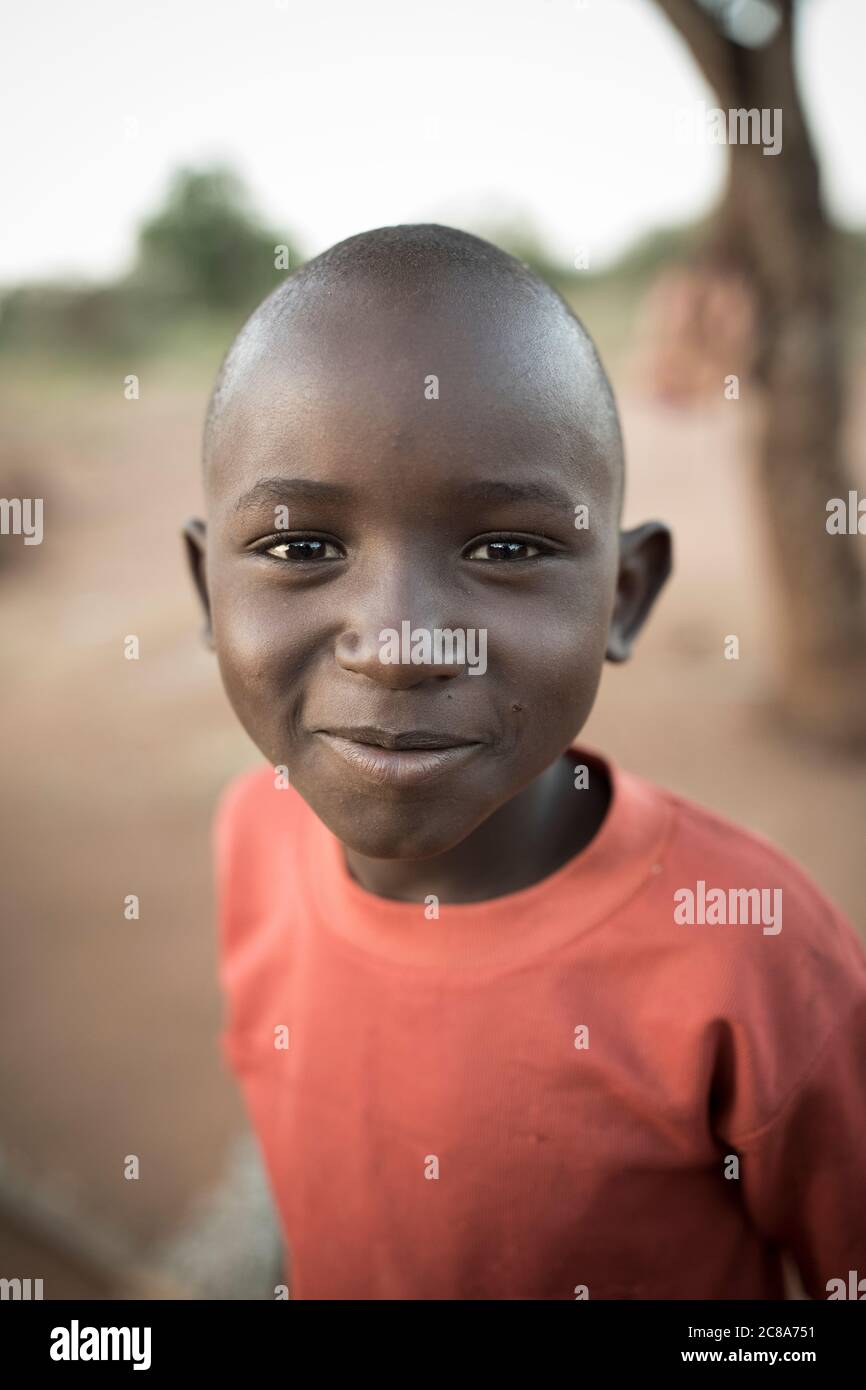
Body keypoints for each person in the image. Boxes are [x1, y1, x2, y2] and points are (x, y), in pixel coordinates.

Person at [184, 224, 866, 1300]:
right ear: (203, 594)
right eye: (300, 546)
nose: (400, 644)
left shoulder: (754, 957)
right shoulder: (251, 833)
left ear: (623, 595)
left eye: (505, 548)